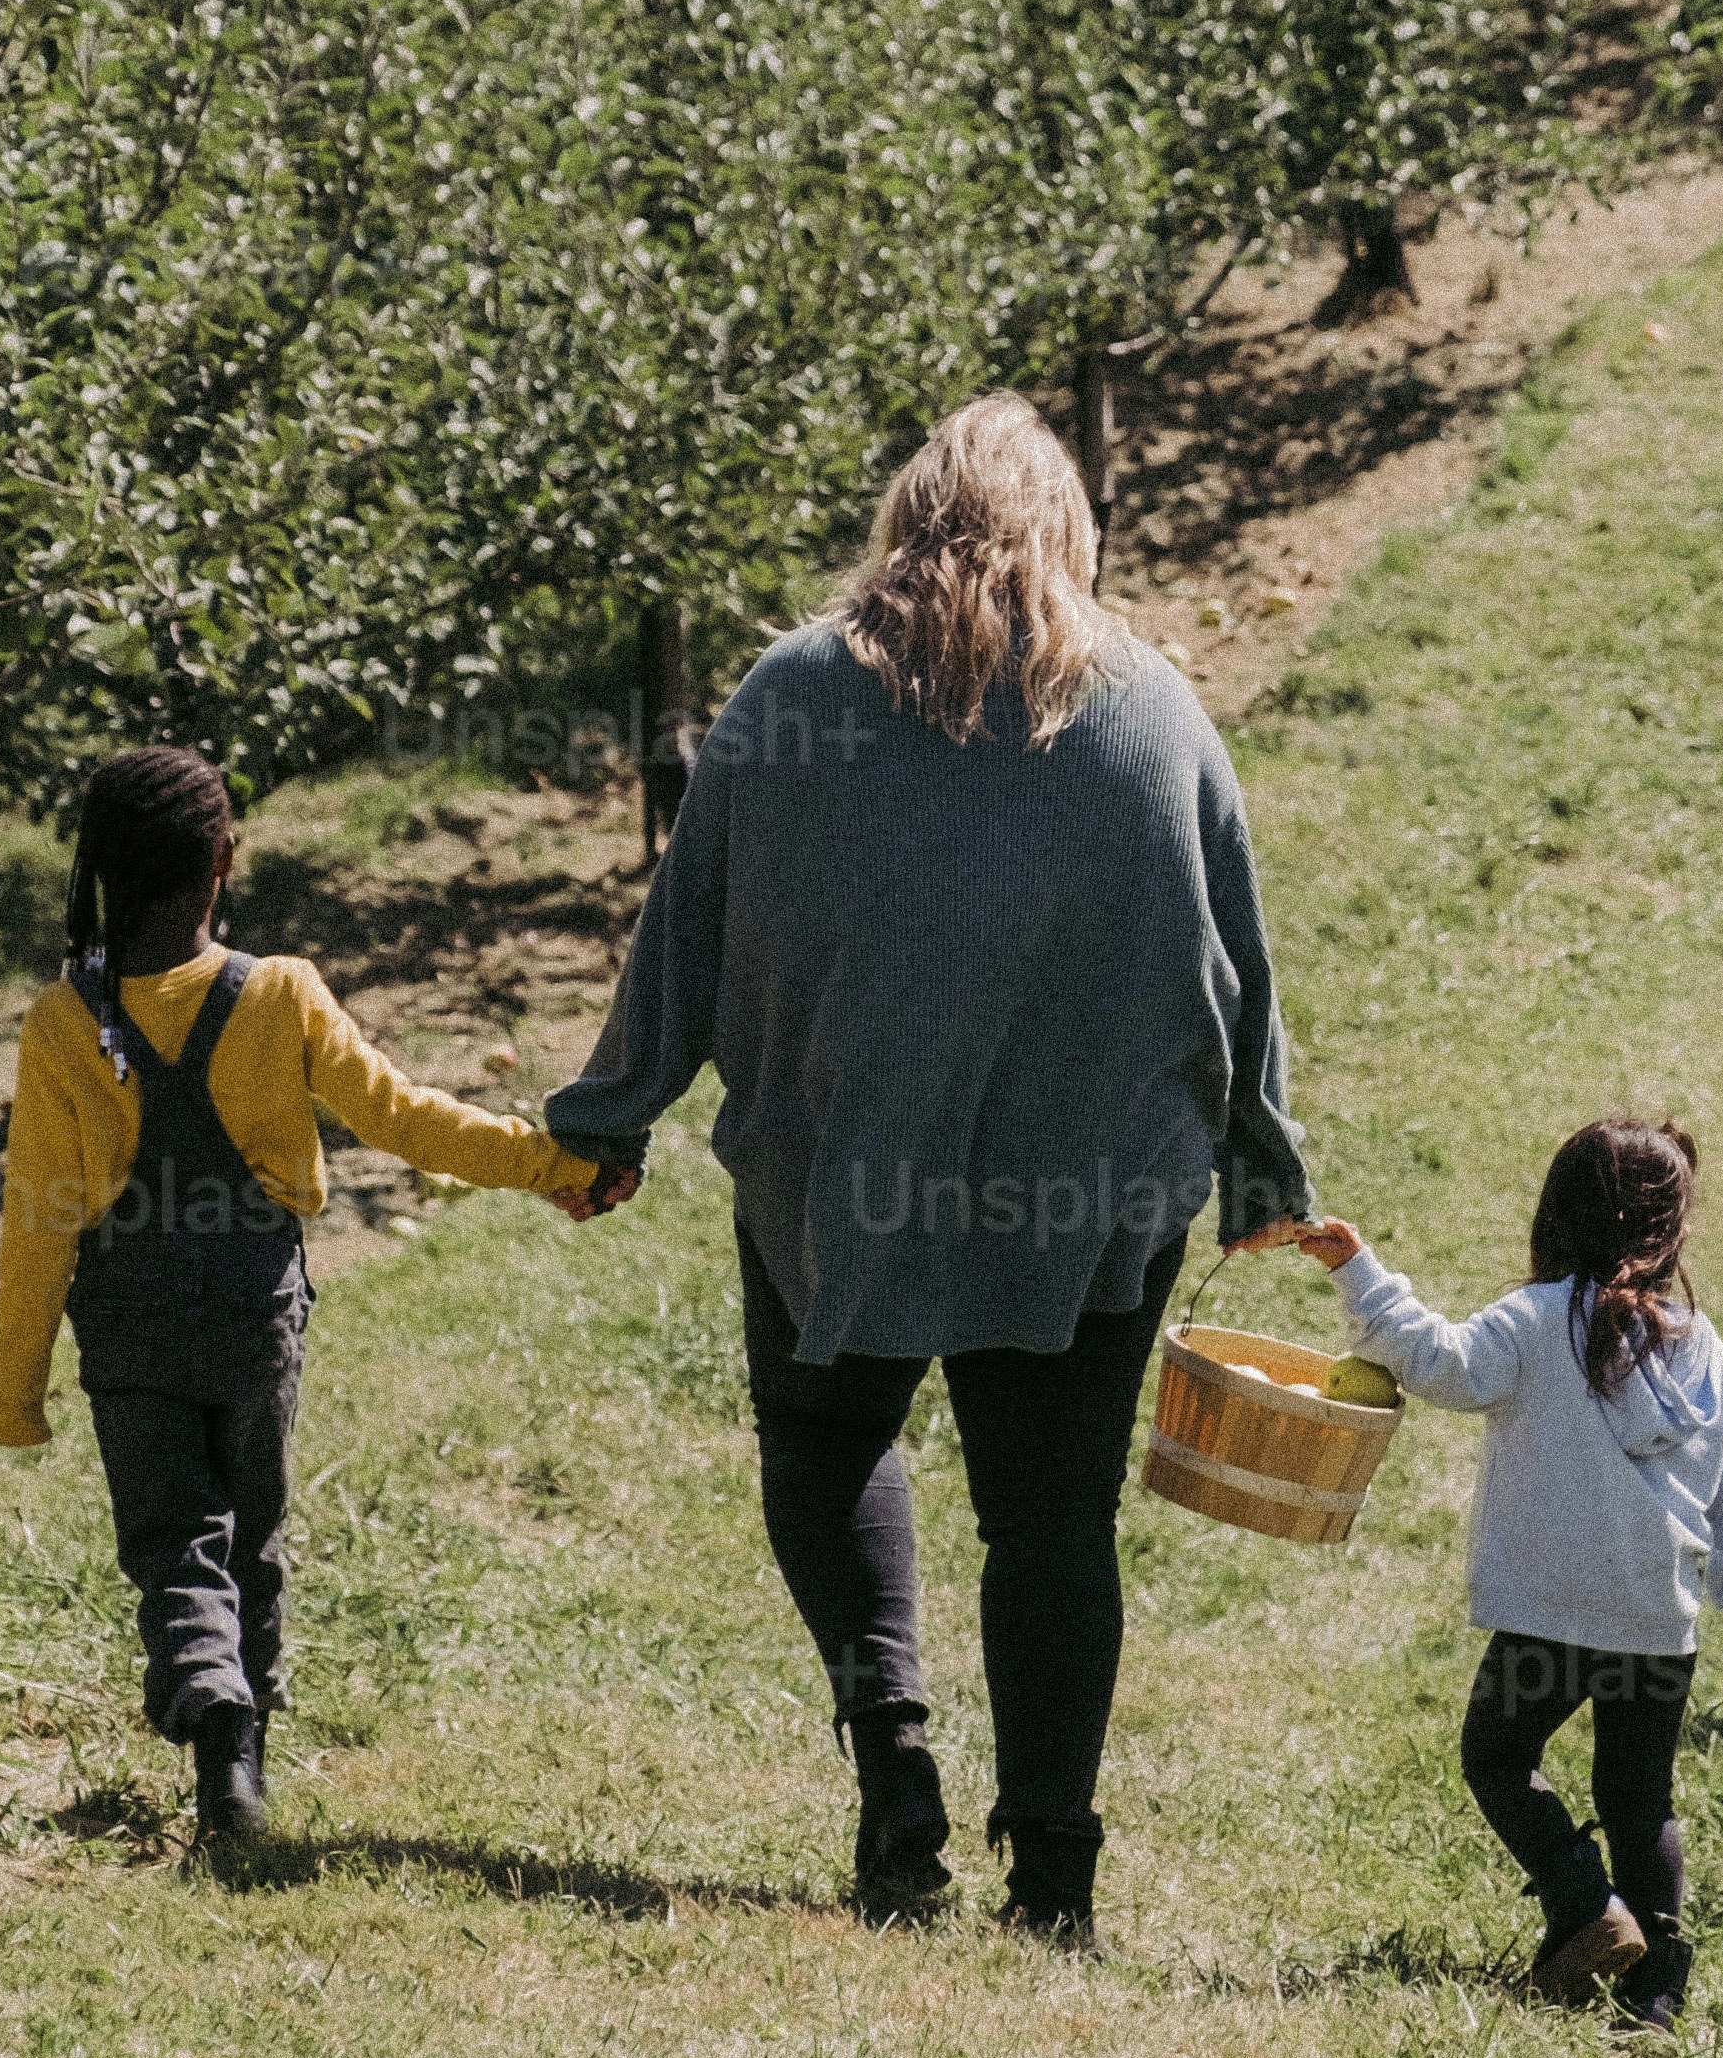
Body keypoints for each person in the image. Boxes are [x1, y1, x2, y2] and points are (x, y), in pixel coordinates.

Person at [549, 396, 1314, 1945]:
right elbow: (1234, 971)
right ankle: (1055, 1878)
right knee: (1051, 1525)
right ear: (1072, 532)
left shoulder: (790, 701)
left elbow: (687, 922)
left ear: (905, 520)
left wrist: (611, 1106)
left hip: (844, 1172)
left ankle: (894, 1758)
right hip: (1082, 1199)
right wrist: (1262, 1167)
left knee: (825, 1444)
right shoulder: (1153, 714)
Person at [0, 745, 603, 1867]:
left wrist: (14, 1391)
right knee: (252, 1537)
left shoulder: (60, 1024)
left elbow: (36, 1219)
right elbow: (404, 1119)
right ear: (223, 859)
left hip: (127, 1320)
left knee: (176, 1540)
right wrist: (547, 1161)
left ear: (100, 868)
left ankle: (208, 1697)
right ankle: (240, 1772)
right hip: (251, 1311)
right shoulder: (278, 995)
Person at [1250, 1115, 1723, 2029]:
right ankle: (1657, 1987)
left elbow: (1443, 1366)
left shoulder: (1537, 1323)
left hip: (1548, 1619)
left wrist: (1357, 1271)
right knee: (1638, 1795)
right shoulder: (1708, 1355)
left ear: (1557, 1216)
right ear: (1672, 1231)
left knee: (1499, 1759)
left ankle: (1585, 1907)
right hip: (1655, 1620)